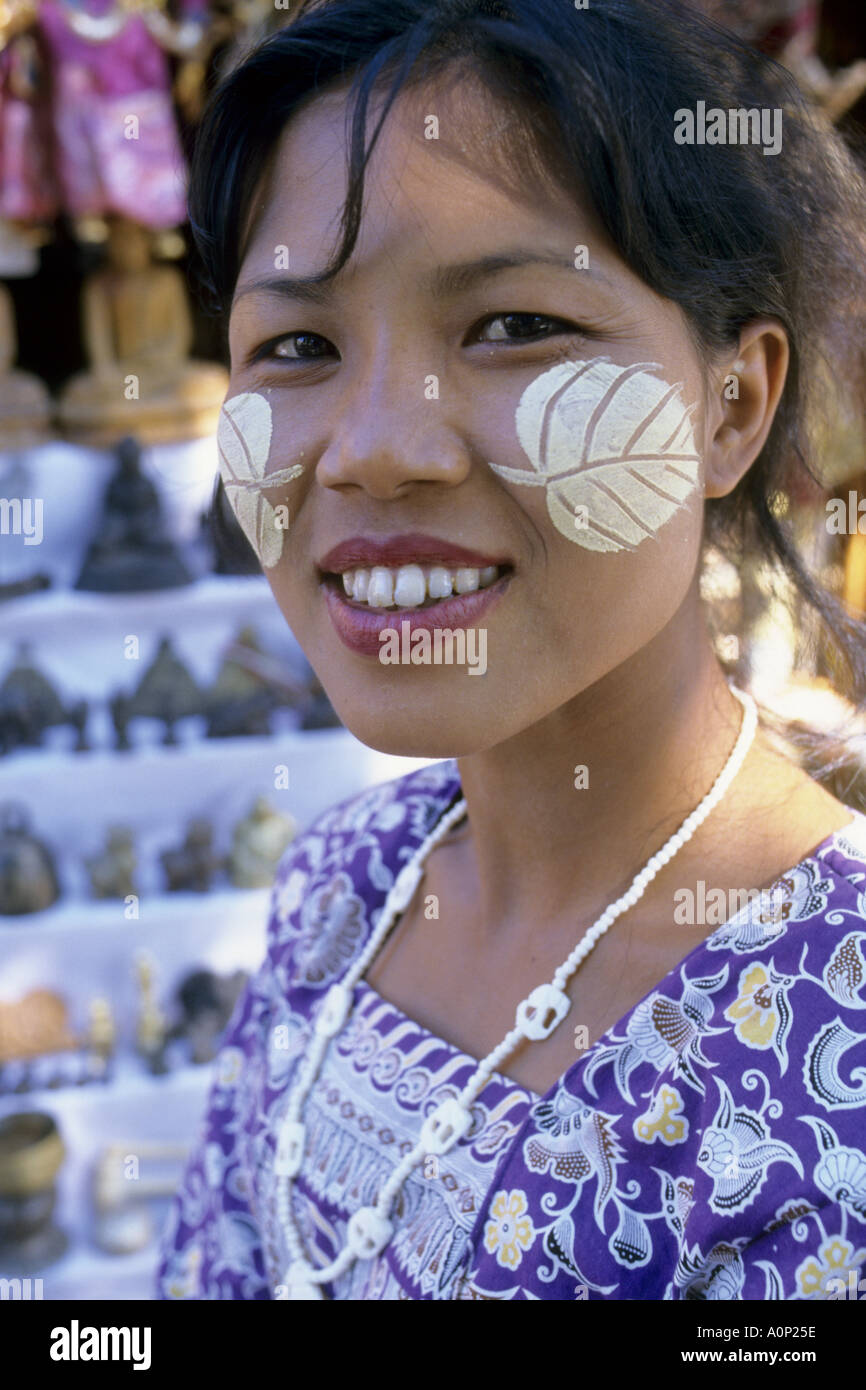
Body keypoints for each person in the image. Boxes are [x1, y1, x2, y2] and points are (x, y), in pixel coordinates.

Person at [156, 0, 866, 1300]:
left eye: (512, 326)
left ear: (733, 406)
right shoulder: (343, 882)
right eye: (297, 346)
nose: (370, 446)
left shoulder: (842, 1058)